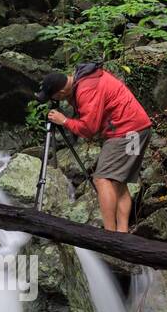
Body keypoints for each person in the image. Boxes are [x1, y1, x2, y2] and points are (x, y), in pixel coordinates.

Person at [40, 62, 152, 232]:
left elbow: (89, 129)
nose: (54, 101)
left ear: (61, 92)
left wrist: (64, 121)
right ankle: (122, 233)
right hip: (137, 129)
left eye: (53, 97)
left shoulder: (86, 89)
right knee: (117, 181)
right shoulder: (83, 77)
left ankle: (109, 234)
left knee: (101, 179)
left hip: (128, 132)